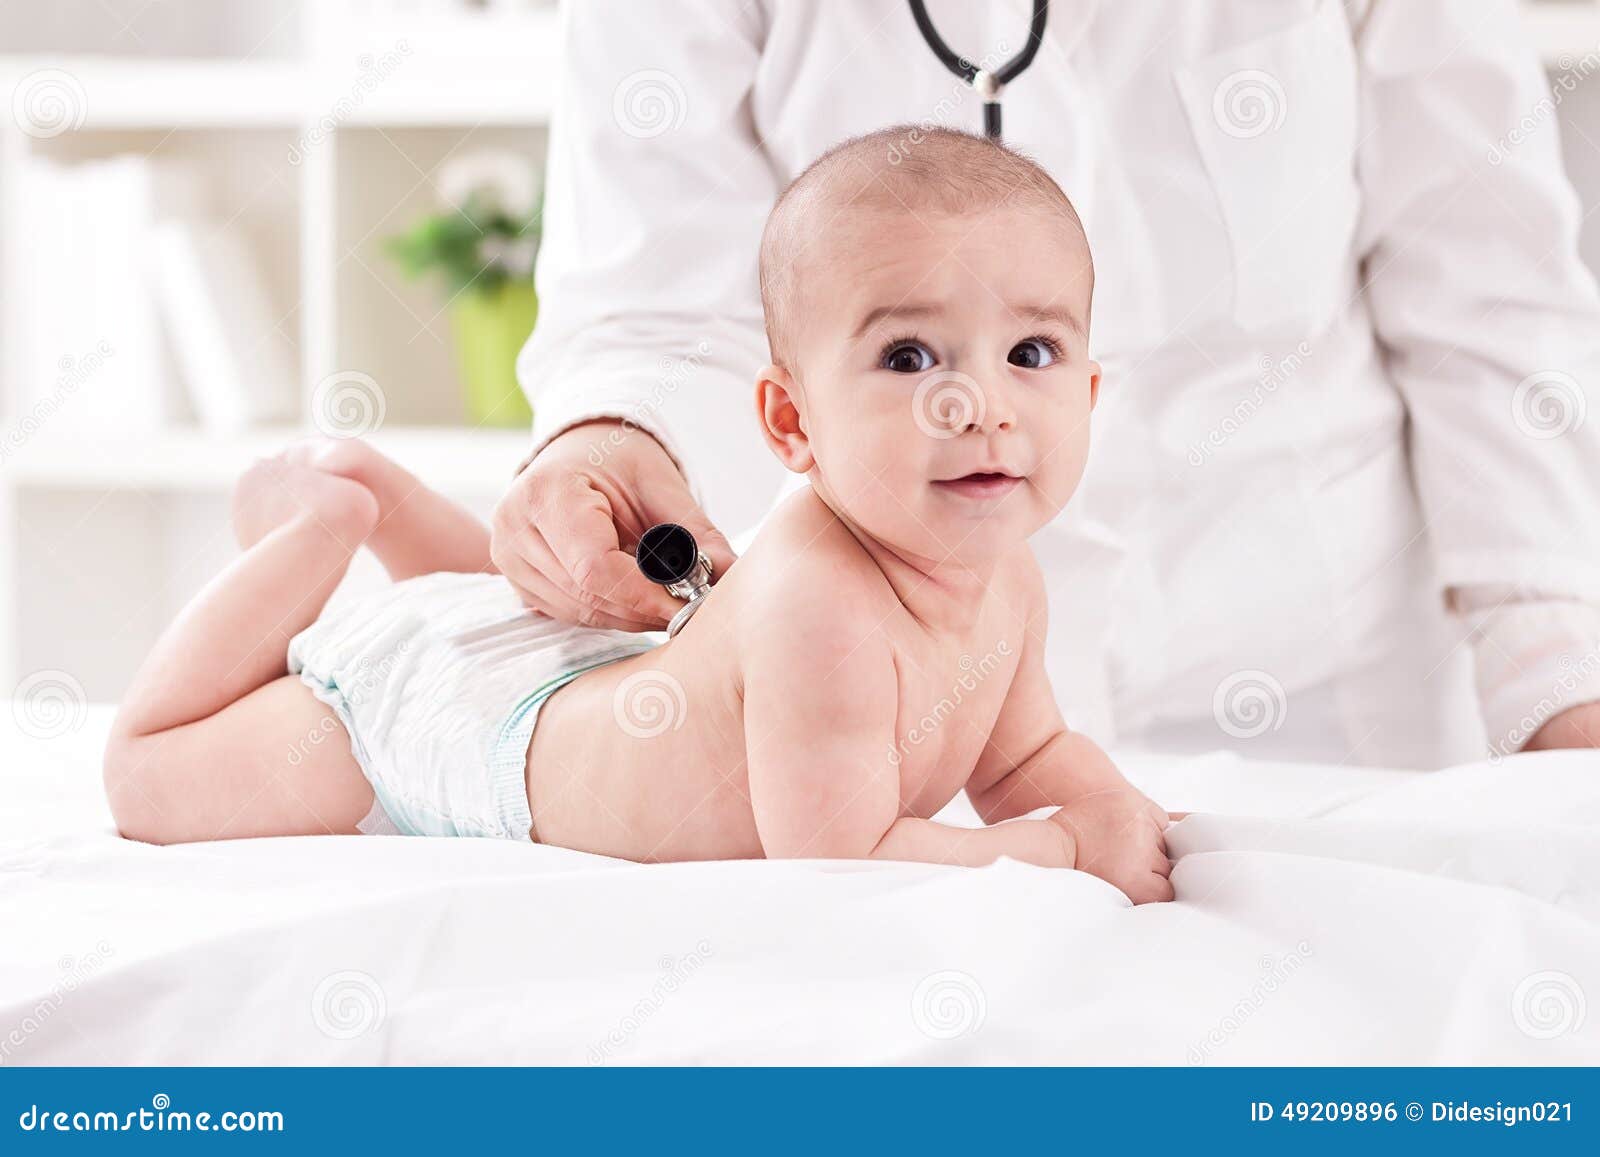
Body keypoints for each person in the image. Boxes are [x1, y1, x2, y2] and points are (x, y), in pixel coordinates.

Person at [494, 0, 1600, 769]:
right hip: (906, 717)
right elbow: (661, 308)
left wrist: (1551, 656)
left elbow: (1487, 279)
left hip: (1337, 698)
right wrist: (613, 438)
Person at [100, 128, 1175, 903]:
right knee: (148, 780)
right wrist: (1067, 854)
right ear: (791, 420)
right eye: (907, 356)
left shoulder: (1004, 571)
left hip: (572, 665)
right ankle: (324, 529)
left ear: (1088, 394)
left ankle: (387, 507)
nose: (979, 404)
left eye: (1030, 353)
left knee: (482, 608)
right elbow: (844, 863)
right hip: (461, 739)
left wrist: (1125, 820)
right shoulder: (822, 606)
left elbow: (1023, 755)